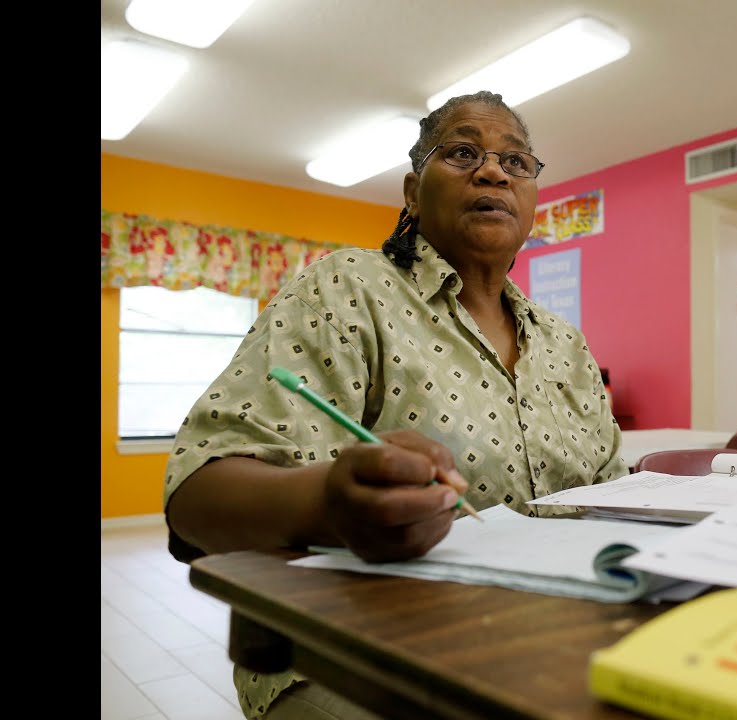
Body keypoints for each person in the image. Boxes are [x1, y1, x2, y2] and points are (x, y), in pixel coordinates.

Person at [162, 90, 628, 720]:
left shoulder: (565, 345)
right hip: (366, 649)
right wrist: (329, 501)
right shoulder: (348, 288)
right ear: (413, 193)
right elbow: (197, 495)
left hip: (556, 635)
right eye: (462, 152)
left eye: (516, 163)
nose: (493, 171)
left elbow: (613, 502)